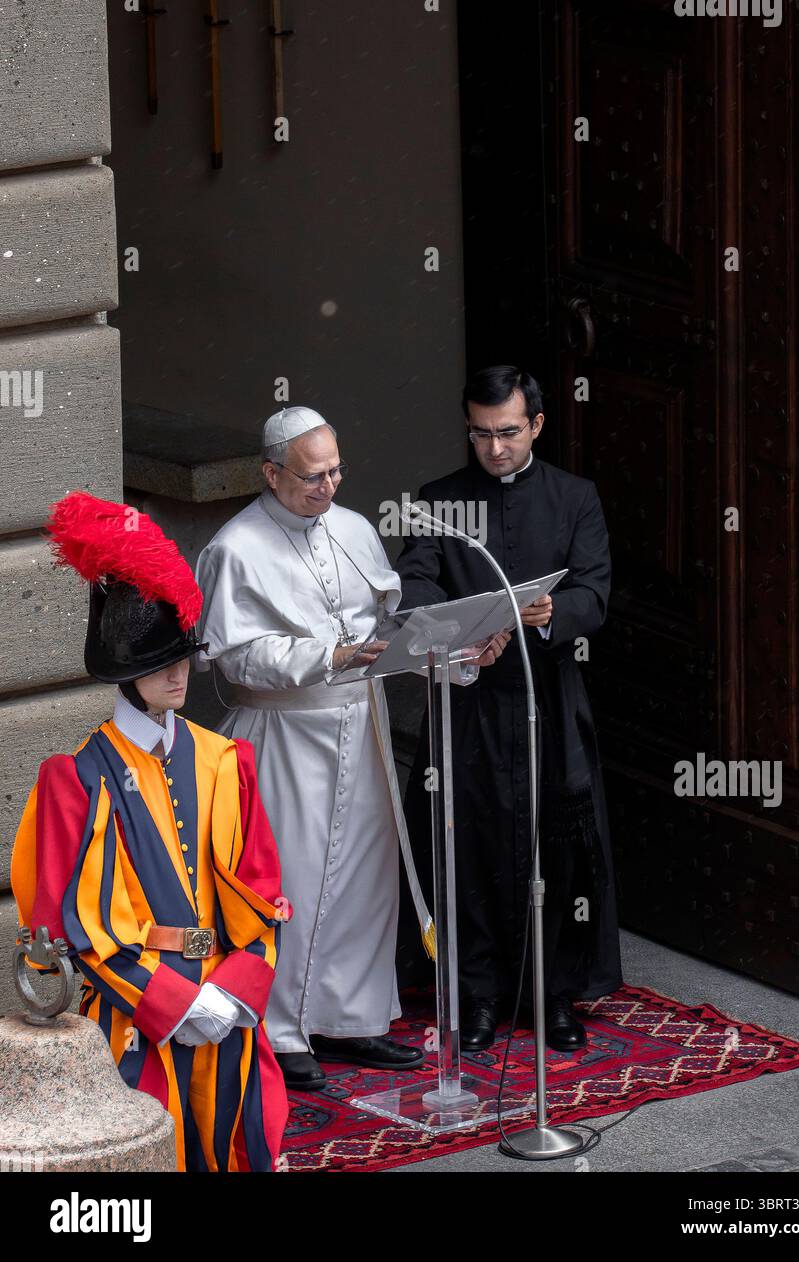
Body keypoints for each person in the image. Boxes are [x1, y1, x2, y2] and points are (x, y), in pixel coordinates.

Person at [195, 407, 504, 1092]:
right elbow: (237, 659)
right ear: (271, 472)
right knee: (290, 886)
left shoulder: (355, 529)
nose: (329, 487)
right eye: (312, 476)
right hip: (284, 734)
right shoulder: (235, 549)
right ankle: (279, 1031)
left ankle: (353, 1019)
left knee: (366, 880)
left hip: (356, 727)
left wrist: (456, 649)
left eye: (336, 470)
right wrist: (328, 652)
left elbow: (387, 634)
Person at [11, 492, 289, 1172]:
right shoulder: (75, 779)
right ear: (123, 674)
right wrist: (176, 1003)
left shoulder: (226, 760)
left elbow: (265, 896)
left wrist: (234, 989)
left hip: (227, 1008)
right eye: (158, 662)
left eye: (184, 655)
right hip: (131, 1024)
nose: (178, 672)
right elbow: (67, 924)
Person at [397, 366, 622, 1052]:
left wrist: (554, 612)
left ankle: (552, 997)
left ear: (537, 425)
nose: (494, 449)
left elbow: (595, 592)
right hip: (469, 702)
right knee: (470, 845)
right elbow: (413, 590)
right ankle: (481, 996)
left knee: (551, 847)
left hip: (546, 697)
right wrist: (457, 638)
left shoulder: (574, 496)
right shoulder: (439, 502)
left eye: (508, 433)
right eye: (481, 434)